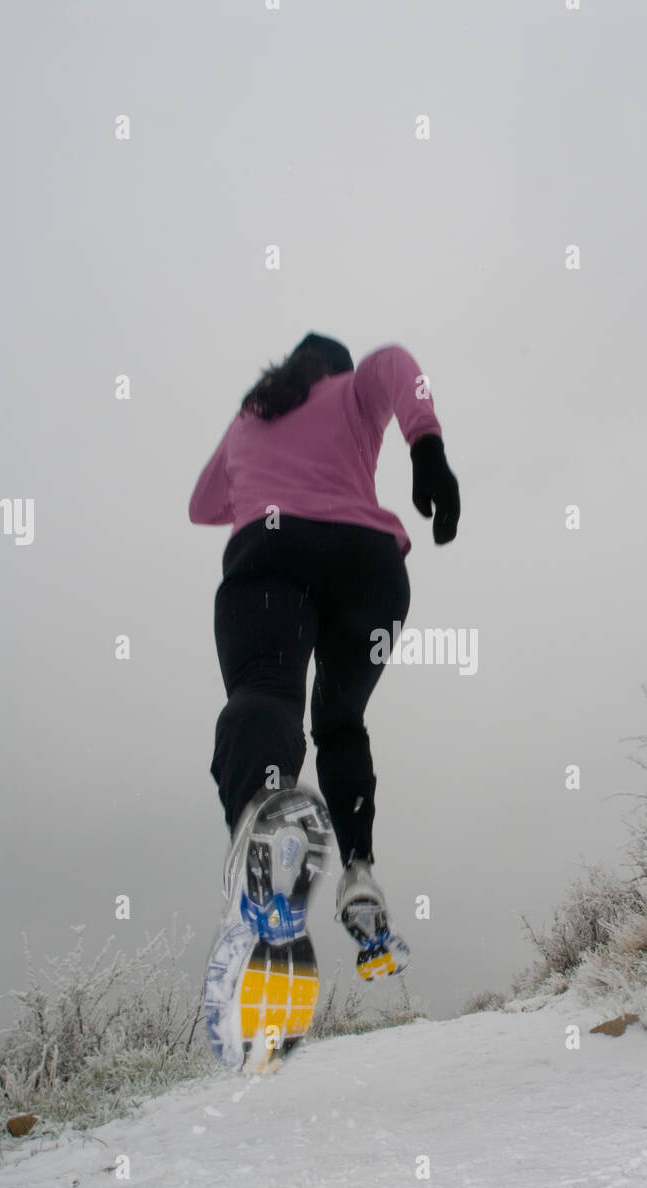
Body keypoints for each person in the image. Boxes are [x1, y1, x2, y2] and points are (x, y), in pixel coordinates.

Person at [189, 332, 460, 963]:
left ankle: (263, 822)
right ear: (338, 370)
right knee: (340, 723)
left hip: (270, 556)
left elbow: (202, 505)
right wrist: (425, 447)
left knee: (265, 693)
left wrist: (256, 470)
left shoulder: (250, 418)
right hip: (367, 568)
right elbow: (395, 364)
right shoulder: (354, 388)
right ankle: (359, 872)